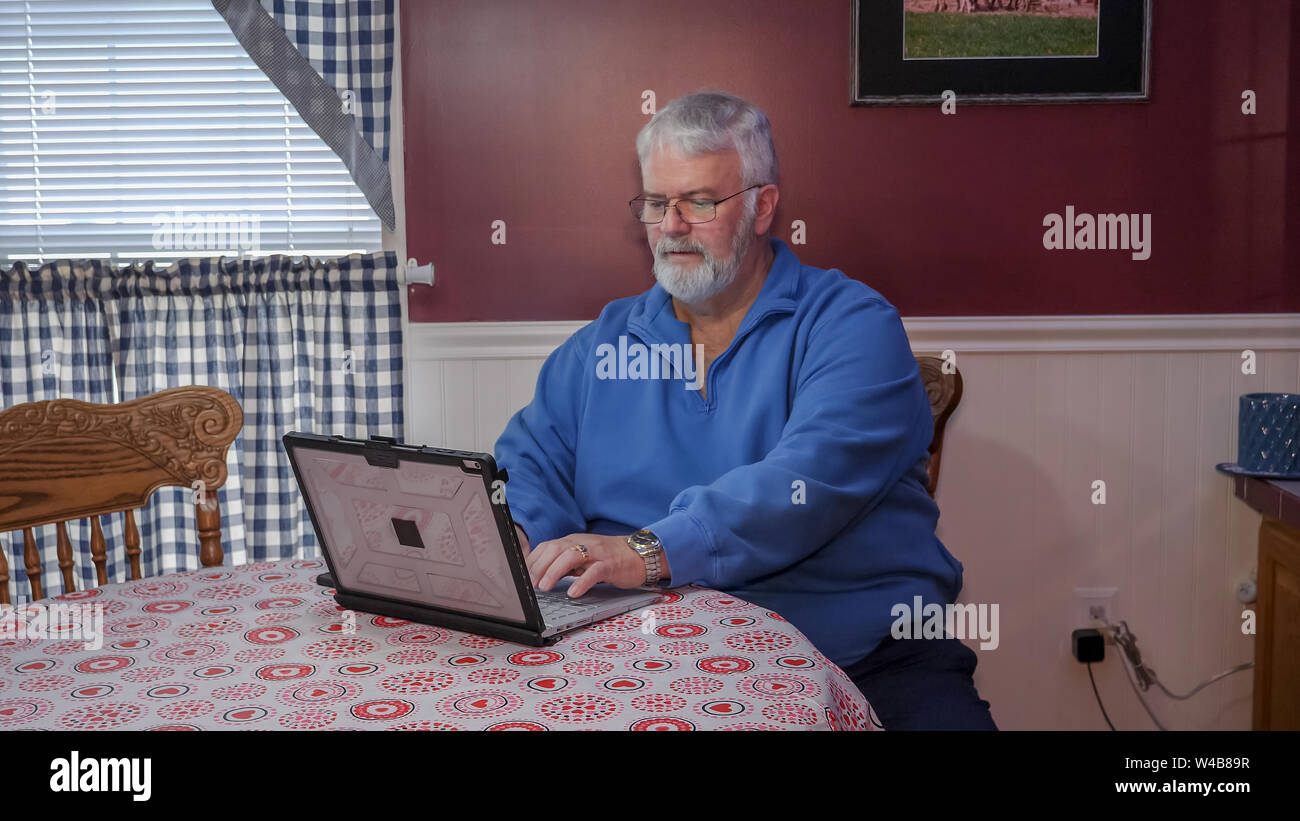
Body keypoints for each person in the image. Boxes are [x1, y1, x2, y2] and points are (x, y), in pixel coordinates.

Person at [494, 90, 995, 730]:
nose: (671, 225)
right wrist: (515, 533)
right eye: (656, 203)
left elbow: (804, 486)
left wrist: (645, 552)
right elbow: (530, 463)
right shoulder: (604, 343)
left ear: (762, 207)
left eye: (699, 201)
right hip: (643, 655)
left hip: (863, 657)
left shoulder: (852, 325)